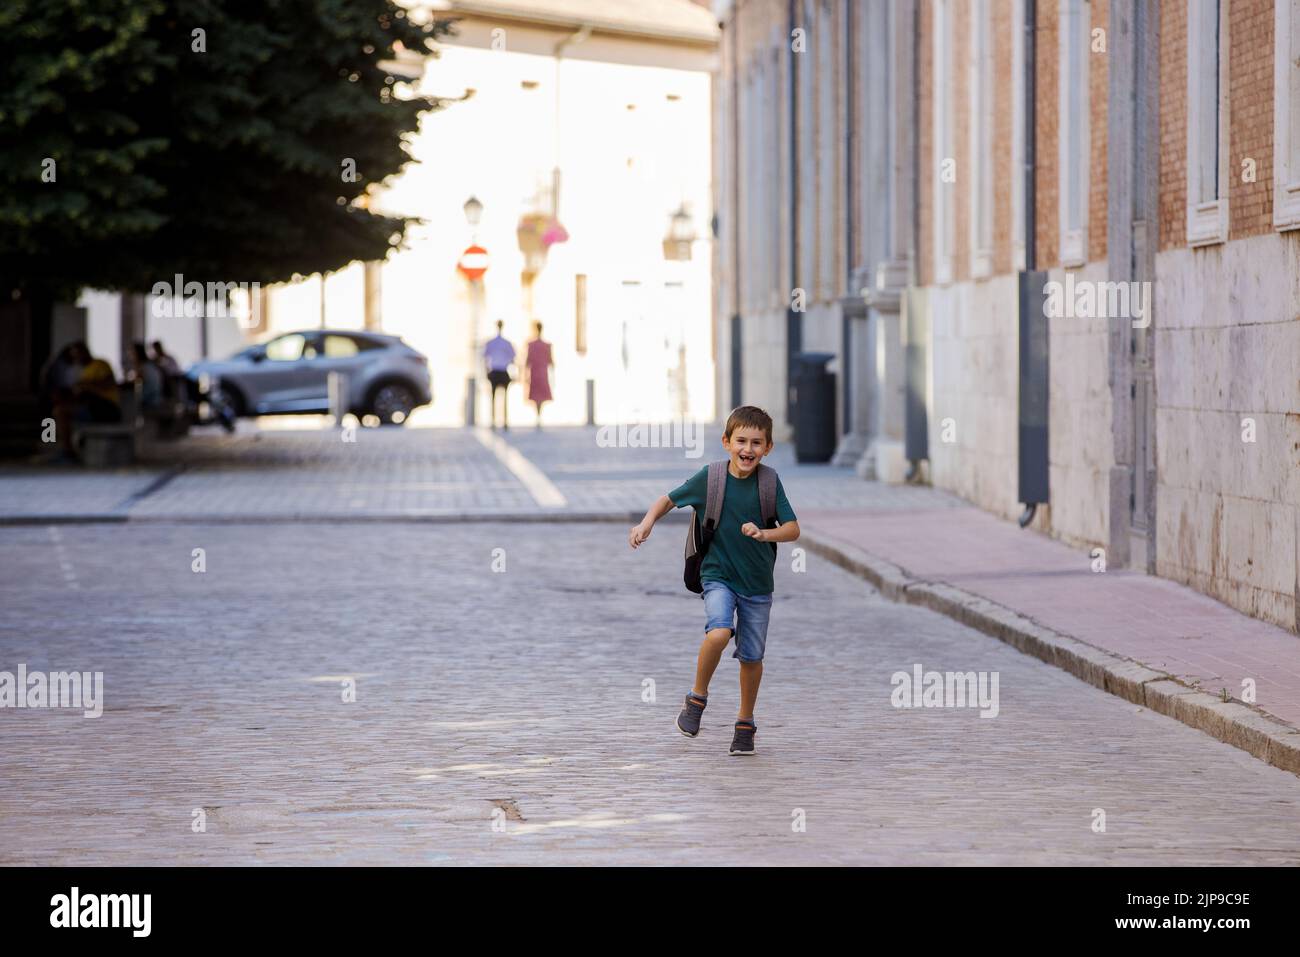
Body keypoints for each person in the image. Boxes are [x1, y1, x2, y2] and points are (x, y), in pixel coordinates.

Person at [627, 406, 801, 756]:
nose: (747, 449)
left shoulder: (769, 482)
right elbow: (669, 499)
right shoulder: (712, 478)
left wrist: (765, 534)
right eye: (740, 441)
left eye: (756, 443)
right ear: (726, 442)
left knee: (752, 657)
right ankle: (696, 699)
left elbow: (793, 529)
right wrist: (647, 523)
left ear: (767, 448)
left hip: (757, 583)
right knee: (719, 631)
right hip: (717, 574)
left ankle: (745, 723)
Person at [482, 320, 516, 429]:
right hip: (503, 371)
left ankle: (493, 421)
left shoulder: (491, 342)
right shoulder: (507, 343)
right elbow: (513, 359)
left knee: (493, 397)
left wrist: (486, 372)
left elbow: (485, 358)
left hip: (495, 371)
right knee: (504, 397)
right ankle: (504, 421)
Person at [521, 320, 553, 429]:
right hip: (541, 372)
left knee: (537, 396)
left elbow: (527, 361)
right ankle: (539, 416)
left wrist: (524, 375)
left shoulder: (531, 344)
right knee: (539, 396)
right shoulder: (546, 345)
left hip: (536, 372)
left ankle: (538, 416)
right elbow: (551, 361)